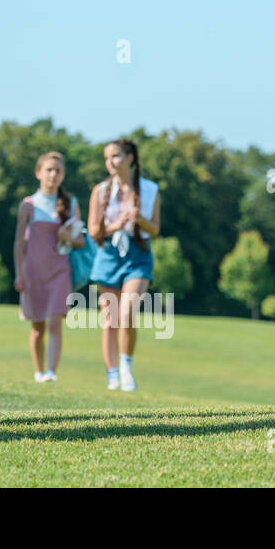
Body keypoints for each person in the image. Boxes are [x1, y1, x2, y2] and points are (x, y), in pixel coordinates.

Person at [88, 138, 161, 391]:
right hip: (108, 254)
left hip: (138, 254)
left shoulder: (150, 189)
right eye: (107, 158)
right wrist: (115, 226)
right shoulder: (100, 191)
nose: (110, 162)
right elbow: (94, 230)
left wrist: (139, 218)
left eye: (116, 156)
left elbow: (155, 228)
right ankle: (112, 375)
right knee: (110, 319)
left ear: (130, 158)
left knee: (127, 311)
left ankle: (126, 367)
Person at [14, 152, 83, 382]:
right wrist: (18, 273)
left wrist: (67, 236)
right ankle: (39, 371)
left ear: (63, 175)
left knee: (55, 321)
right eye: (49, 170)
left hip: (60, 271)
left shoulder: (71, 203)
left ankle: (52, 373)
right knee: (38, 326)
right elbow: (18, 242)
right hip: (33, 271)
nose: (53, 175)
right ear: (38, 173)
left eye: (58, 171)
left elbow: (81, 241)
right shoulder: (28, 204)